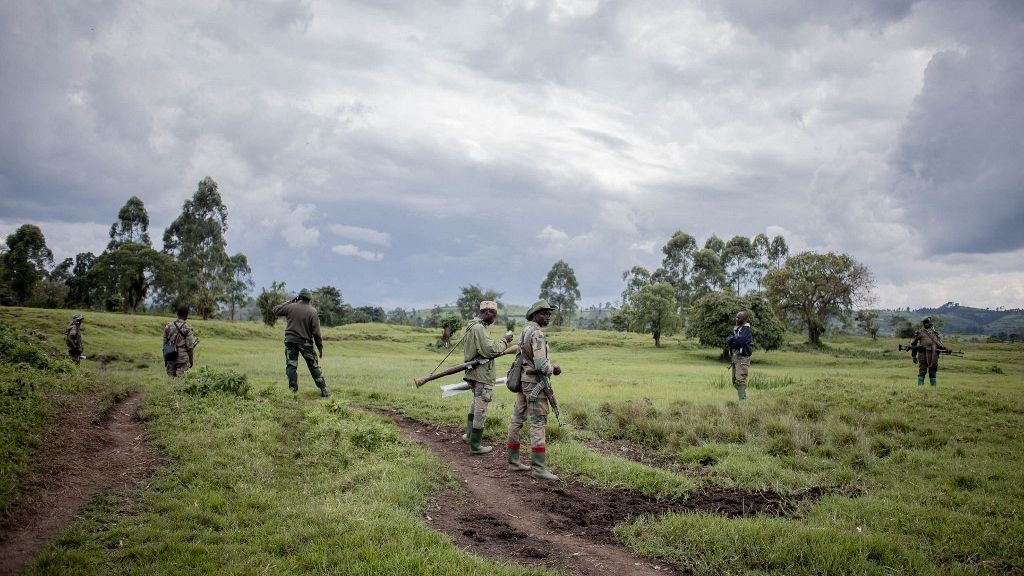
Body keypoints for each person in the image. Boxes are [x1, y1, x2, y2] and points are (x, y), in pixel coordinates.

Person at [506, 299, 562, 481]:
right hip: (534, 384)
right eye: (545, 314)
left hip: (523, 381)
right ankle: (539, 468)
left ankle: (513, 462)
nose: (548, 317)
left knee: (517, 419)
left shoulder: (525, 330)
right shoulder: (537, 333)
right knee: (538, 422)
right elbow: (540, 364)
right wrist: (554, 368)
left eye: (549, 314)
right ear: (536, 315)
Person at [461, 301, 514, 455]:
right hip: (482, 374)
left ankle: (469, 435)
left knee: (475, 404)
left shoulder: (472, 325)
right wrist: (505, 340)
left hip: (474, 373)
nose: (494, 319)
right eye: (494, 315)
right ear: (488, 312)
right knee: (481, 409)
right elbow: (491, 350)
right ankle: (476, 445)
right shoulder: (479, 328)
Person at [273, 288, 330, 397]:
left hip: (290, 340)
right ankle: (323, 389)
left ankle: (293, 391)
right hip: (305, 343)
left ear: (299, 297)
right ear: (309, 299)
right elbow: (316, 333)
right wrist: (320, 348)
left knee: (291, 365)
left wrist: (290, 301)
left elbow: (276, 310)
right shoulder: (312, 311)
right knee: (313, 366)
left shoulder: (290, 307)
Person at [726, 310, 753, 401]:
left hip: (743, 358)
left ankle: (743, 402)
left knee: (740, 379)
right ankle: (743, 397)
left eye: (739, 317)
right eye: (736, 317)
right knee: (735, 382)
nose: (736, 319)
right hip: (736, 357)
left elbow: (740, 341)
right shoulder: (737, 328)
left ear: (744, 319)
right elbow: (728, 340)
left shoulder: (746, 329)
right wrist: (733, 340)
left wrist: (733, 340)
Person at [163, 305, 197, 377]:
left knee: (170, 381)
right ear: (186, 315)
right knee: (180, 382)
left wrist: (166, 360)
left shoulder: (168, 326)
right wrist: (191, 360)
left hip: (170, 357)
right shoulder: (188, 328)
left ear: (177, 314)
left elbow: (164, 345)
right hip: (183, 359)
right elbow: (190, 347)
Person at [911, 317, 941, 386]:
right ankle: (921, 388)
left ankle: (933, 388)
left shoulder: (935, 333)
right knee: (922, 370)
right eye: (925, 323)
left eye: (928, 323)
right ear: (923, 324)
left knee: (933, 371)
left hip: (934, 355)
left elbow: (939, 344)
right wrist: (914, 356)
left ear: (930, 323)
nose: (926, 324)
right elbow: (913, 344)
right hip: (923, 355)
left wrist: (940, 351)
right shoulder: (919, 332)